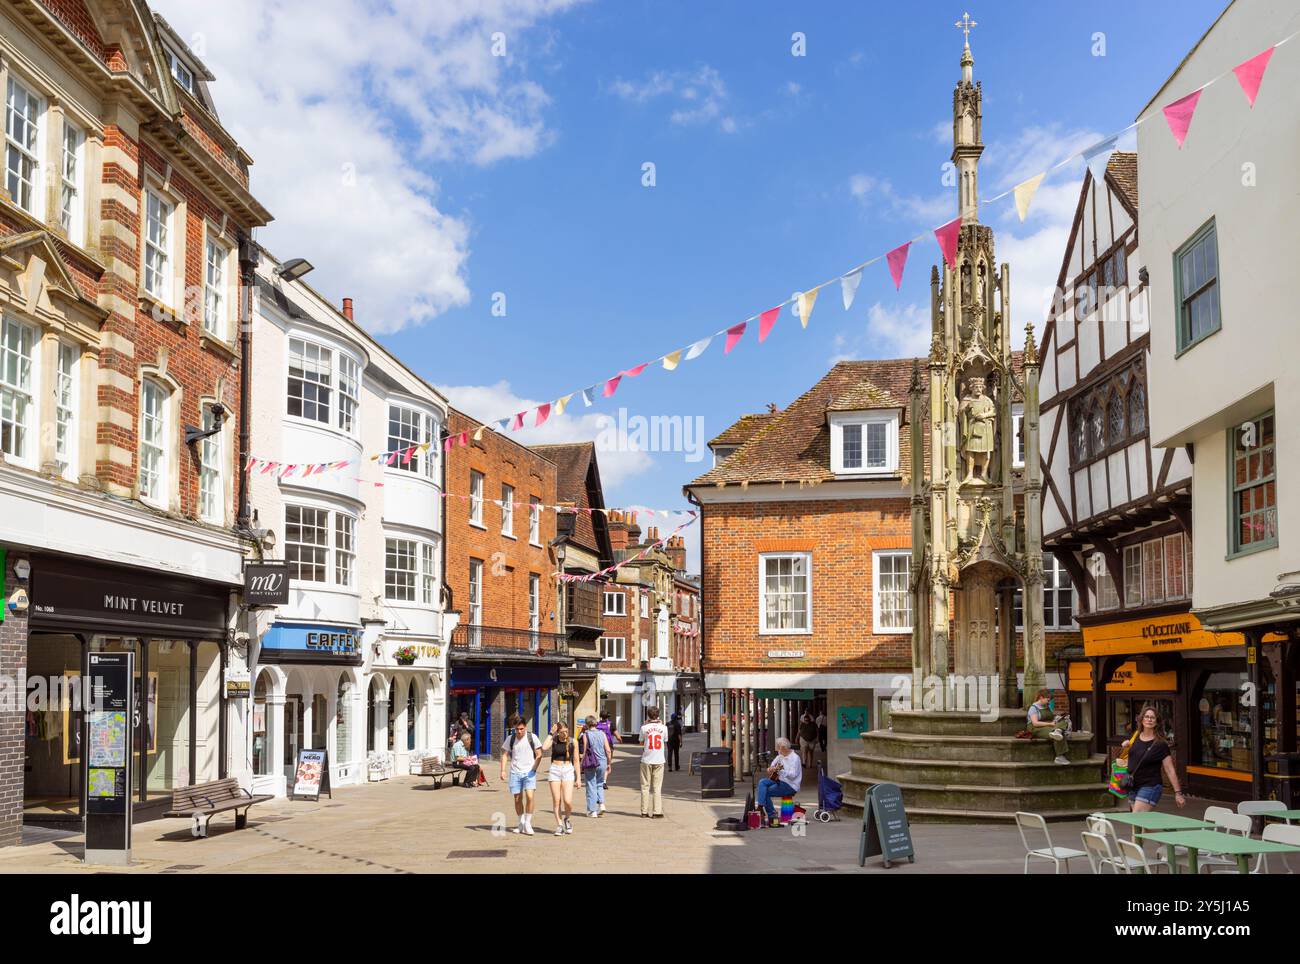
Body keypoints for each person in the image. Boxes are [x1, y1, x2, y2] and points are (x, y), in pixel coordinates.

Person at [1122, 704, 1186, 813]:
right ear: (1141, 719)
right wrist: (1126, 746)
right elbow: (1129, 760)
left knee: (1137, 816)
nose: (1149, 720)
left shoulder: (1160, 744)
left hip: (1150, 786)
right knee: (1140, 824)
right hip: (1132, 785)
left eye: (1152, 717)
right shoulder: (1135, 737)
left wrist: (1178, 793)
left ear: (1157, 722)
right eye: (1146, 717)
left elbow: (1169, 769)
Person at [499, 714, 543, 835]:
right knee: (517, 798)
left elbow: (539, 754)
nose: (519, 731)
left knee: (530, 797)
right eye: (517, 729)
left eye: (521, 729)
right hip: (515, 772)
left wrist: (534, 768)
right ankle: (521, 823)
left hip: (529, 772)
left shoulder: (532, 737)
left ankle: (528, 823)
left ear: (526, 727)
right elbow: (504, 755)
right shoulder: (510, 739)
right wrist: (502, 770)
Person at [756, 737, 803, 828]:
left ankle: (771, 814)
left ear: (783, 748)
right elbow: (772, 765)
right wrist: (770, 769)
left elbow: (793, 775)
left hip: (790, 785)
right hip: (779, 781)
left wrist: (780, 771)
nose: (777, 751)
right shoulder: (780, 756)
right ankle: (760, 806)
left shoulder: (795, 758)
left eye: (778, 749)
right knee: (762, 782)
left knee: (765, 792)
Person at [541, 722, 578, 835]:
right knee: (557, 800)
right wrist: (551, 733)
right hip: (555, 770)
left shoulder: (573, 741)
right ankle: (560, 825)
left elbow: (576, 760)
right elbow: (544, 747)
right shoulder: (554, 739)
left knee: (568, 801)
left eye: (566, 731)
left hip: (568, 770)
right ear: (558, 732)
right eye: (562, 732)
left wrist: (579, 778)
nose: (565, 734)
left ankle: (567, 818)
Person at [1026, 688, 1071, 765]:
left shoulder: (1047, 706)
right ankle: (1059, 757)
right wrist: (1050, 724)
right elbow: (1035, 723)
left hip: (1048, 725)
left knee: (1063, 721)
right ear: (1041, 697)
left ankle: (1058, 730)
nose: (1049, 701)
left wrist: (1057, 719)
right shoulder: (1033, 708)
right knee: (1056, 734)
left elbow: (1051, 718)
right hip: (1036, 728)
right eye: (1048, 699)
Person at [579, 716, 611, 818]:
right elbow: (608, 750)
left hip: (591, 762)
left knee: (591, 785)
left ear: (587, 724)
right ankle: (601, 804)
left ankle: (592, 810)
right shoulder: (602, 734)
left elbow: (584, 751)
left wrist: (580, 764)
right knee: (600, 784)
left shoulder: (586, 734)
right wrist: (609, 763)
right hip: (602, 762)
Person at [639, 706, 668, 818]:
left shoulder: (644, 728)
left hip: (646, 759)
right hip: (659, 759)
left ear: (648, 715)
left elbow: (641, 743)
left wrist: (646, 724)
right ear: (658, 715)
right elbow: (665, 742)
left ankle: (644, 811)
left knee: (645, 786)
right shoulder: (664, 728)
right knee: (657, 787)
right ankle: (657, 811)